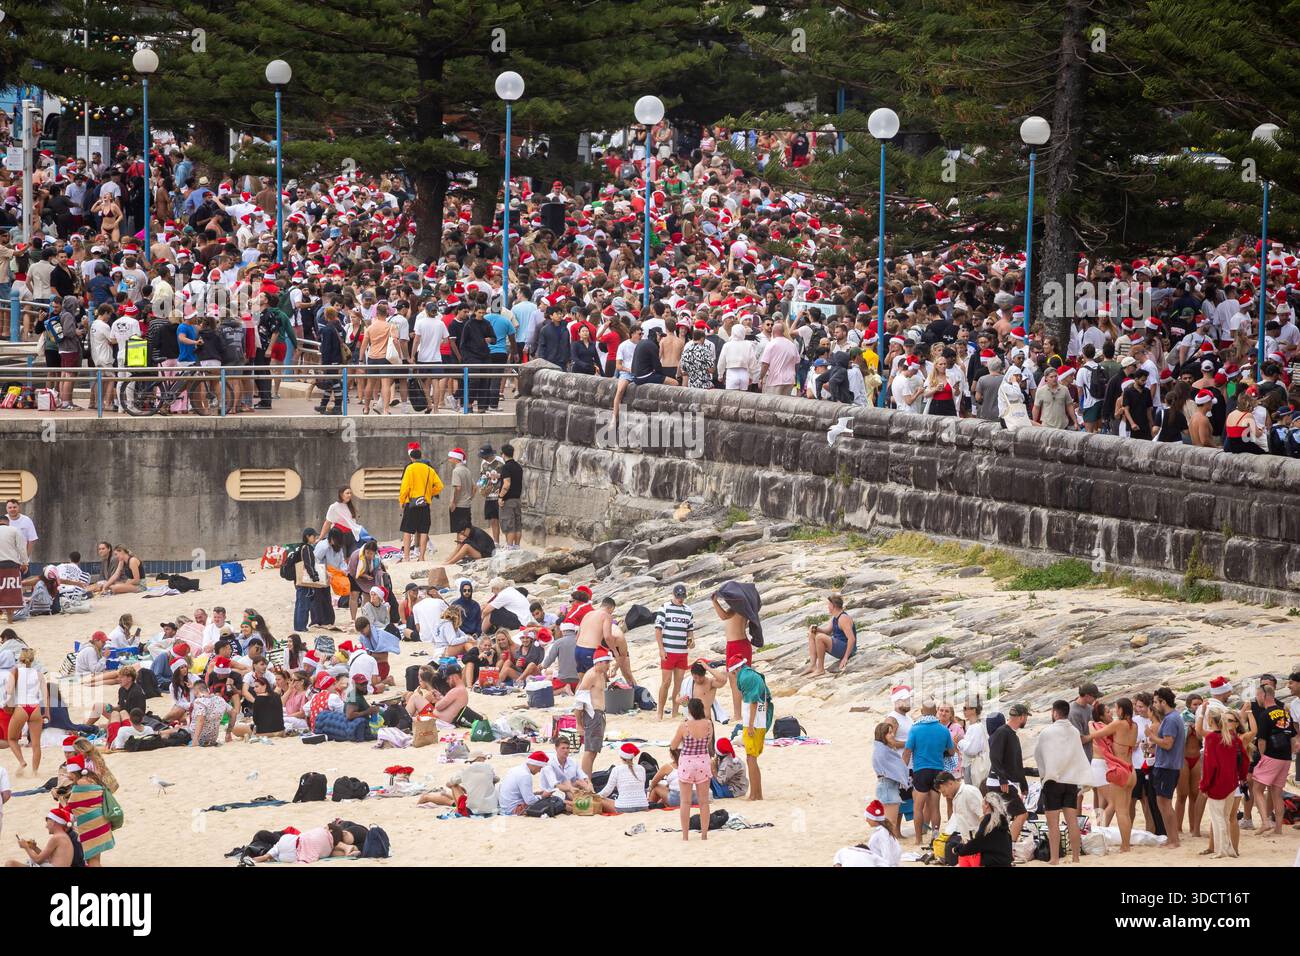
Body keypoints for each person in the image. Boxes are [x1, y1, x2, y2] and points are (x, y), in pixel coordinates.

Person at [1032, 699, 1093, 864]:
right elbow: (1077, 755)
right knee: (1072, 821)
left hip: (1053, 780)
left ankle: (1054, 859)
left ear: (1054, 712)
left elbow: (1039, 755)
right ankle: (1075, 857)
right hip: (1070, 781)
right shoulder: (1074, 731)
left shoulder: (1047, 732)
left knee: (1053, 824)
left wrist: (1044, 775)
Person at [1084, 698, 1137, 851]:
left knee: (1121, 811)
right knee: (1125, 810)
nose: (1114, 712)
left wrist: (1089, 724)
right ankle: (1125, 843)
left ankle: (1125, 846)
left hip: (1120, 770)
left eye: (1115, 708)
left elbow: (1095, 734)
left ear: (1121, 710)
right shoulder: (1134, 726)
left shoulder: (1117, 724)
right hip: (1131, 769)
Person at [1198, 707, 1249, 859]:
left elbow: (1210, 765)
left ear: (1210, 721)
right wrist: (1241, 776)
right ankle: (1229, 849)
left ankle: (1221, 850)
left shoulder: (1212, 738)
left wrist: (1204, 785)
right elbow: (1244, 760)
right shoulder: (1232, 737)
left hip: (1217, 783)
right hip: (1232, 782)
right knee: (1225, 817)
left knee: (1218, 817)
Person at [1247, 677, 1294, 838]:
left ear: (1263, 696)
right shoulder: (1285, 712)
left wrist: (1262, 757)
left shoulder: (1266, 714)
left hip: (1271, 756)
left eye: (1258, 695)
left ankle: (1265, 822)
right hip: (1286, 758)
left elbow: (1261, 740)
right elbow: (1293, 737)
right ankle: (1278, 828)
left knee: (1257, 789)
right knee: (1276, 792)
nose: (1257, 698)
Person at [903, 699, 954, 846]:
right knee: (935, 807)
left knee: (918, 807)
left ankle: (918, 839)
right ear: (935, 711)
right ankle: (935, 836)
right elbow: (951, 751)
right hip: (937, 770)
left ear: (922, 711)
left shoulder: (915, 729)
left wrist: (902, 772)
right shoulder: (943, 729)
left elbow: (907, 752)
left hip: (921, 770)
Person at [1147, 686, 1186, 848]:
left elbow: (1168, 744)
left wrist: (1152, 737)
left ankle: (1174, 839)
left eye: (1156, 702)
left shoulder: (1170, 719)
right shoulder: (1174, 717)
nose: (1154, 706)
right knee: (1164, 803)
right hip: (1169, 766)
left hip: (1167, 767)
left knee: (1164, 803)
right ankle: (1172, 838)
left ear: (1163, 702)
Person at [730, 654, 773, 801]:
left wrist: (749, 725)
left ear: (736, 670)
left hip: (754, 724)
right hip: (758, 723)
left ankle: (756, 795)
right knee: (751, 759)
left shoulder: (745, 677)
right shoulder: (752, 675)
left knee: (751, 759)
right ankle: (756, 794)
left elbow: (753, 702)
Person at [670, 698, 714, 840]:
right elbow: (708, 742)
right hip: (702, 761)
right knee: (704, 802)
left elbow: (673, 745)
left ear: (690, 710)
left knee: (685, 802)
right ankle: (704, 835)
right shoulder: (708, 724)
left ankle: (685, 836)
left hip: (687, 763)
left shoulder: (685, 726)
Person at [986, 702, 1031, 841]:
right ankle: (1009, 846)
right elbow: (994, 756)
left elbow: (1016, 764)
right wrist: (1002, 778)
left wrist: (1023, 783)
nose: (1026, 720)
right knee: (1022, 814)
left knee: (1000, 818)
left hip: (1002, 781)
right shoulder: (1003, 732)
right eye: (1026, 717)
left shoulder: (1011, 734)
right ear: (1022, 717)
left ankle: (1002, 845)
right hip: (999, 783)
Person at [59, 755, 113, 866]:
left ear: (74, 773)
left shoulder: (80, 784)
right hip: (101, 821)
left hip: (91, 826)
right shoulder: (91, 778)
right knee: (95, 858)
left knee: (92, 860)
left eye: (69, 773)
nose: (68, 776)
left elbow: (71, 805)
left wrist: (55, 815)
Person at [6, 648, 49, 777]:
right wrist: (47, 712)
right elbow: (46, 695)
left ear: (20, 658)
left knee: (12, 738)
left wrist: (7, 704)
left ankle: (22, 761)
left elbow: (9, 691)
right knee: (36, 744)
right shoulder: (39, 674)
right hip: (35, 708)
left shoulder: (15, 672)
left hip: (21, 707)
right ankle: (35, 771)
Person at [654, 583, 694, 720]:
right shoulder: (664, 608)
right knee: (666, 682)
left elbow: (690, 631)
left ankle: (674, 712)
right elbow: (658, 630)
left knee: (679, 683)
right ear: (673, 595)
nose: (680, 599)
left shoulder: (688, 610)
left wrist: (691, 640)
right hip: (668, 651)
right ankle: (660, 711)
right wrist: (661, 649)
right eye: (678, 596)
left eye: (682, 596)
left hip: (682, 652)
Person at [398, 443, 443, 562]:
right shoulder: (429, 469)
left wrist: (402, 500)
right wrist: (429, 493)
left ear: (412, 458)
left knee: (407, 531)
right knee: (423, 530)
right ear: (420, 457)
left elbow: (405, 487)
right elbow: (439, 486)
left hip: (411, 503)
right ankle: (421, 557)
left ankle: (407, 557)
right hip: (425, 503)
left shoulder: (410, 468)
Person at [574, 647, 610, 777]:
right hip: (593, 715)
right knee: (589, 751)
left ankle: (587, 780)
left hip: (599, 715)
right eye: (606, 662)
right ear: (599, 662)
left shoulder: (600, 674)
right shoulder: (591, 675)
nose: (608, 665)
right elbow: (578, 700)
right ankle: (586, 782)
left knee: (594, 751)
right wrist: (578, 724)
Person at [833, 800, 901, 867]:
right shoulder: (881, 831)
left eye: (868, 817)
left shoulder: (882, 833)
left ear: (874, 819)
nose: (866, 820)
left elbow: (887, 853)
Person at [802, 592, 856, 677]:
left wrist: (845, 657)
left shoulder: (843, 618)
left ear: (833, 606)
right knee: (812, 634)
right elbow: (827, 631)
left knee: (820, 637)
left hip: (846, 649)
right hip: (839, 645)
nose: (827, 607)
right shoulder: (835, 617)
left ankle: (820, 669)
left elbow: (852, 639)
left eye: (828, 604)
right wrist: (816, 629)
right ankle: (812, 665)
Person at [953, 791, 1013, 867]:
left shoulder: (988, 822)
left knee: (965, 857)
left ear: (987, 805)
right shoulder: (1003, 822)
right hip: (1006, 863)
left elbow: (977, 843)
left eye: (982, 803)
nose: (981, 806)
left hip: (992, 863)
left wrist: (958, 849)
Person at [6, 806, 78, 867]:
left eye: (47, 821)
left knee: (10, 864)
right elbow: (50, 858)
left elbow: (38, 860)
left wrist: (26, 847)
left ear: (53, 822)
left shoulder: (57, 837)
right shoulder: (63, 836)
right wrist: (35, 848)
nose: (46, 826)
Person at [871, 718, 908, 834]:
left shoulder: (882, 749)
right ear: (883, 735)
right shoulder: (883, 751)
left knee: (889, 823)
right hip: (888, 786)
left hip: (887, 786)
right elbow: (895, 768)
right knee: (890, 824)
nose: (893, 735)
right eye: (889, 733)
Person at [598, 742, 650, 814]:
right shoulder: (641, 768)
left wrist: (596, 796)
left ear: (621, 756)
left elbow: (607, 791)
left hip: (624, 808)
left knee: (600, 800)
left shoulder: (617, 769)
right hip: (643, 806)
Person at [934, 770, 983, 843]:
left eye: (943, 792)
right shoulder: (956, 796)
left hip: (977, 839)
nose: (944, 796)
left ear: (950, 783)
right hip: (967, 840)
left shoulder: (969, 791)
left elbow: (983, 816)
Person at [499, 750, 547, 815]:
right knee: (547, 803)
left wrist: (535, 793)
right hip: (513, 810)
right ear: (535, 764)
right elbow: (530, 801)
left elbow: (516, 793)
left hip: (505, 807)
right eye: (540, 768)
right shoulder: (525, 775)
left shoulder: (515, 769)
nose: (539, 771)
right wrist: (542, 796)